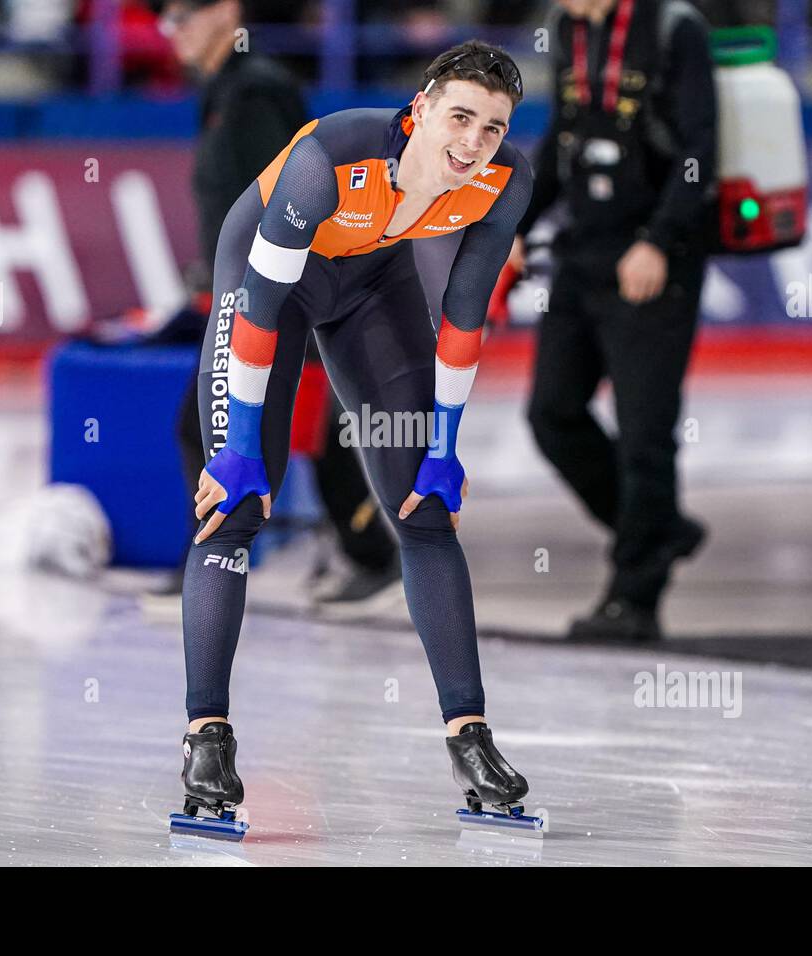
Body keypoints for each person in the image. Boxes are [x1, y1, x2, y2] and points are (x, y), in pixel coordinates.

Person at [173, 41, 540, 832]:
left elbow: (464, 321)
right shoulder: (328, 160)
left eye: (493, 127)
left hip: (372, 282)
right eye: (460, 118)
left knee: (424, 509)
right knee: (232, 505)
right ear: (420, 111)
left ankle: (469, 737)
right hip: (268, 286)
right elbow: (264, 308)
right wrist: (236, 449)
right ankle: (207, 737)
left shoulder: (506, 180)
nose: (474, 144)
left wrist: (443, 446)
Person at [146, 0, 401, 613]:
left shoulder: (255, 91)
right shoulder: (226, 89)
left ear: (226, 10)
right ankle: (368, 556)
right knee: (287, 423)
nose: (172, 31)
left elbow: (286, 198)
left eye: (184, 15)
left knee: (214, 423)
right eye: (166, 21)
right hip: (259, 288)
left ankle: (220, 565)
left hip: (278, 288)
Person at [515, 0, 716, 642]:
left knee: (644, 432)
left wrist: (659, 240)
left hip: (655, 258)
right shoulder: (569, 28)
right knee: (552, 411)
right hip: (584, 250)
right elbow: (562, 137)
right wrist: (513, 226)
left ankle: (634, 596)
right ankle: (657, 531)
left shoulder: (674, 28)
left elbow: (699, 152)